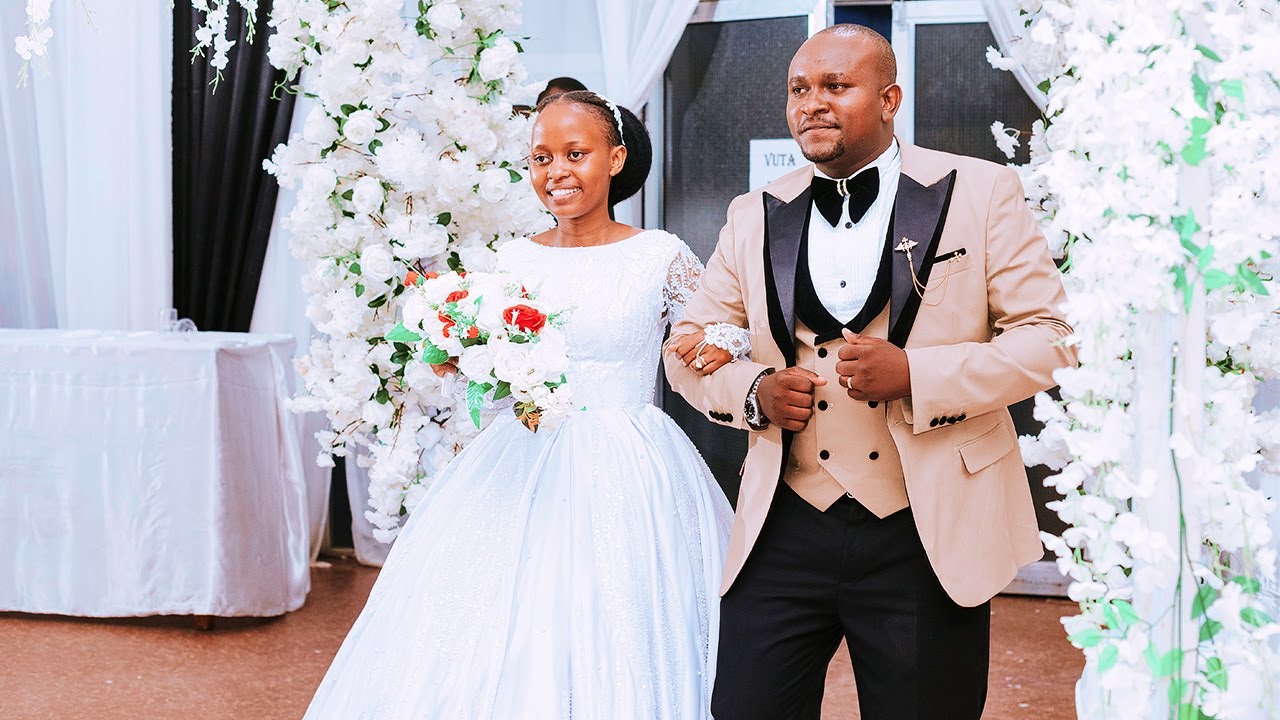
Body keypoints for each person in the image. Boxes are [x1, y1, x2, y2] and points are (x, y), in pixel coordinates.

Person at [665, 24, 1077, 720]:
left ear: (889, 99)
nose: (812, 103)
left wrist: (917, 375)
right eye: (799, 89)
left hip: (924, 522)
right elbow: (690, 345)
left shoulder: (980, 192)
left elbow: (1050, 338)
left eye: (836, 85)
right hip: (784, 523)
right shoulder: (753, 213)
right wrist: (755, 392)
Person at [303, 90, 745, 719]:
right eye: (540, 158)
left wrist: (719, 343)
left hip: (629, 464)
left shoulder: (658, 254)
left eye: (574, 153)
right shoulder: (511, 258)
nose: (554, 171)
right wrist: (456, 353)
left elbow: (719, 323)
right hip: (521, 454)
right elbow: (490, 367)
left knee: (618, 616)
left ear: (616, 158)